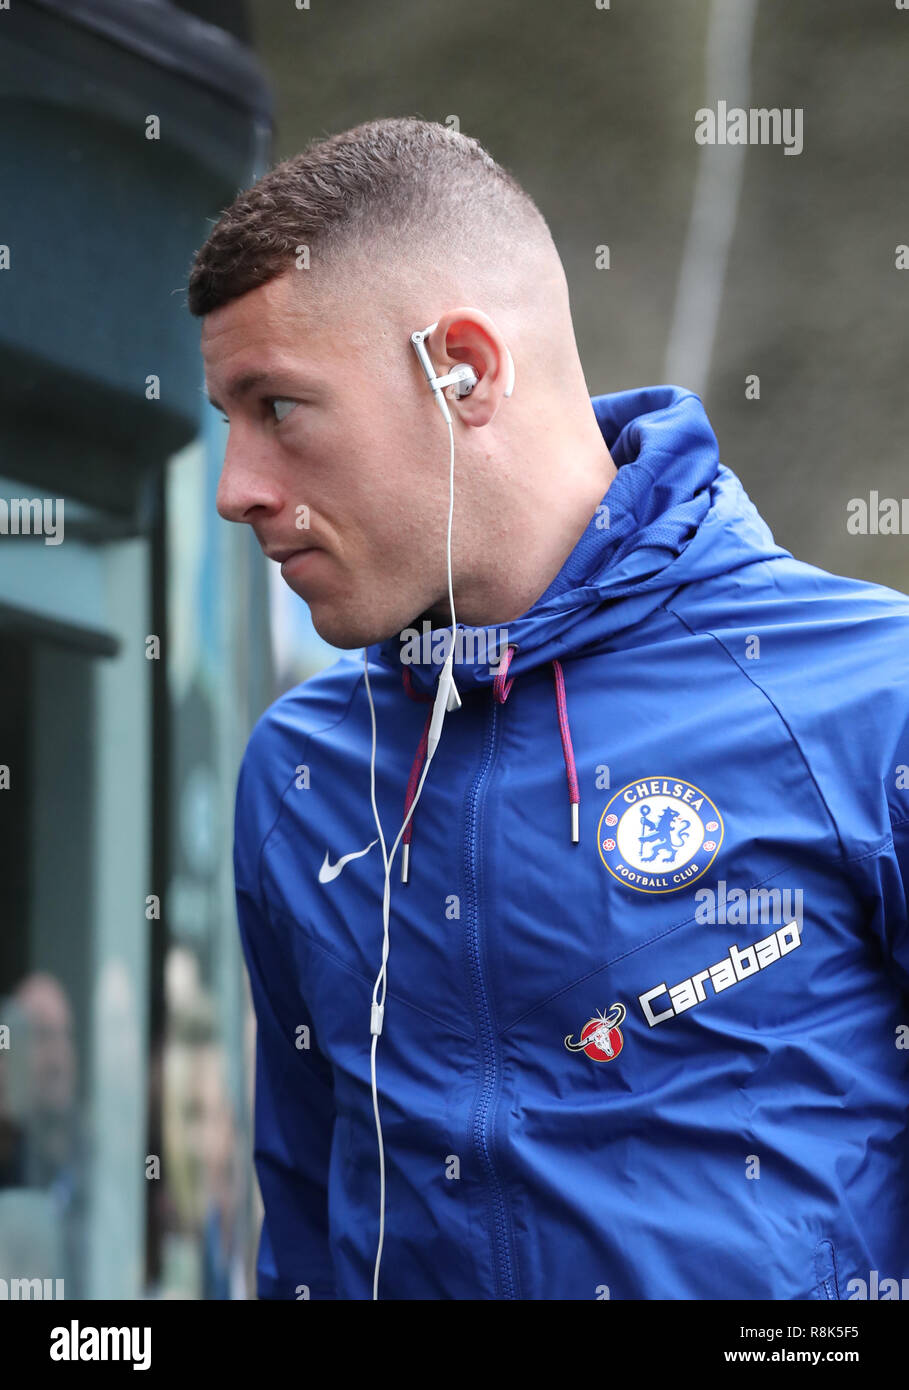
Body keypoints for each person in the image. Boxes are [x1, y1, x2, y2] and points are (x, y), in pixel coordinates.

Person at [188, 116, 909, 1301]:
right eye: (226, 420)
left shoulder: (865, 695)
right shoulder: (305, 774)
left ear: (463, 369)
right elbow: (308, 1239)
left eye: (278, 408)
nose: (238, 490)